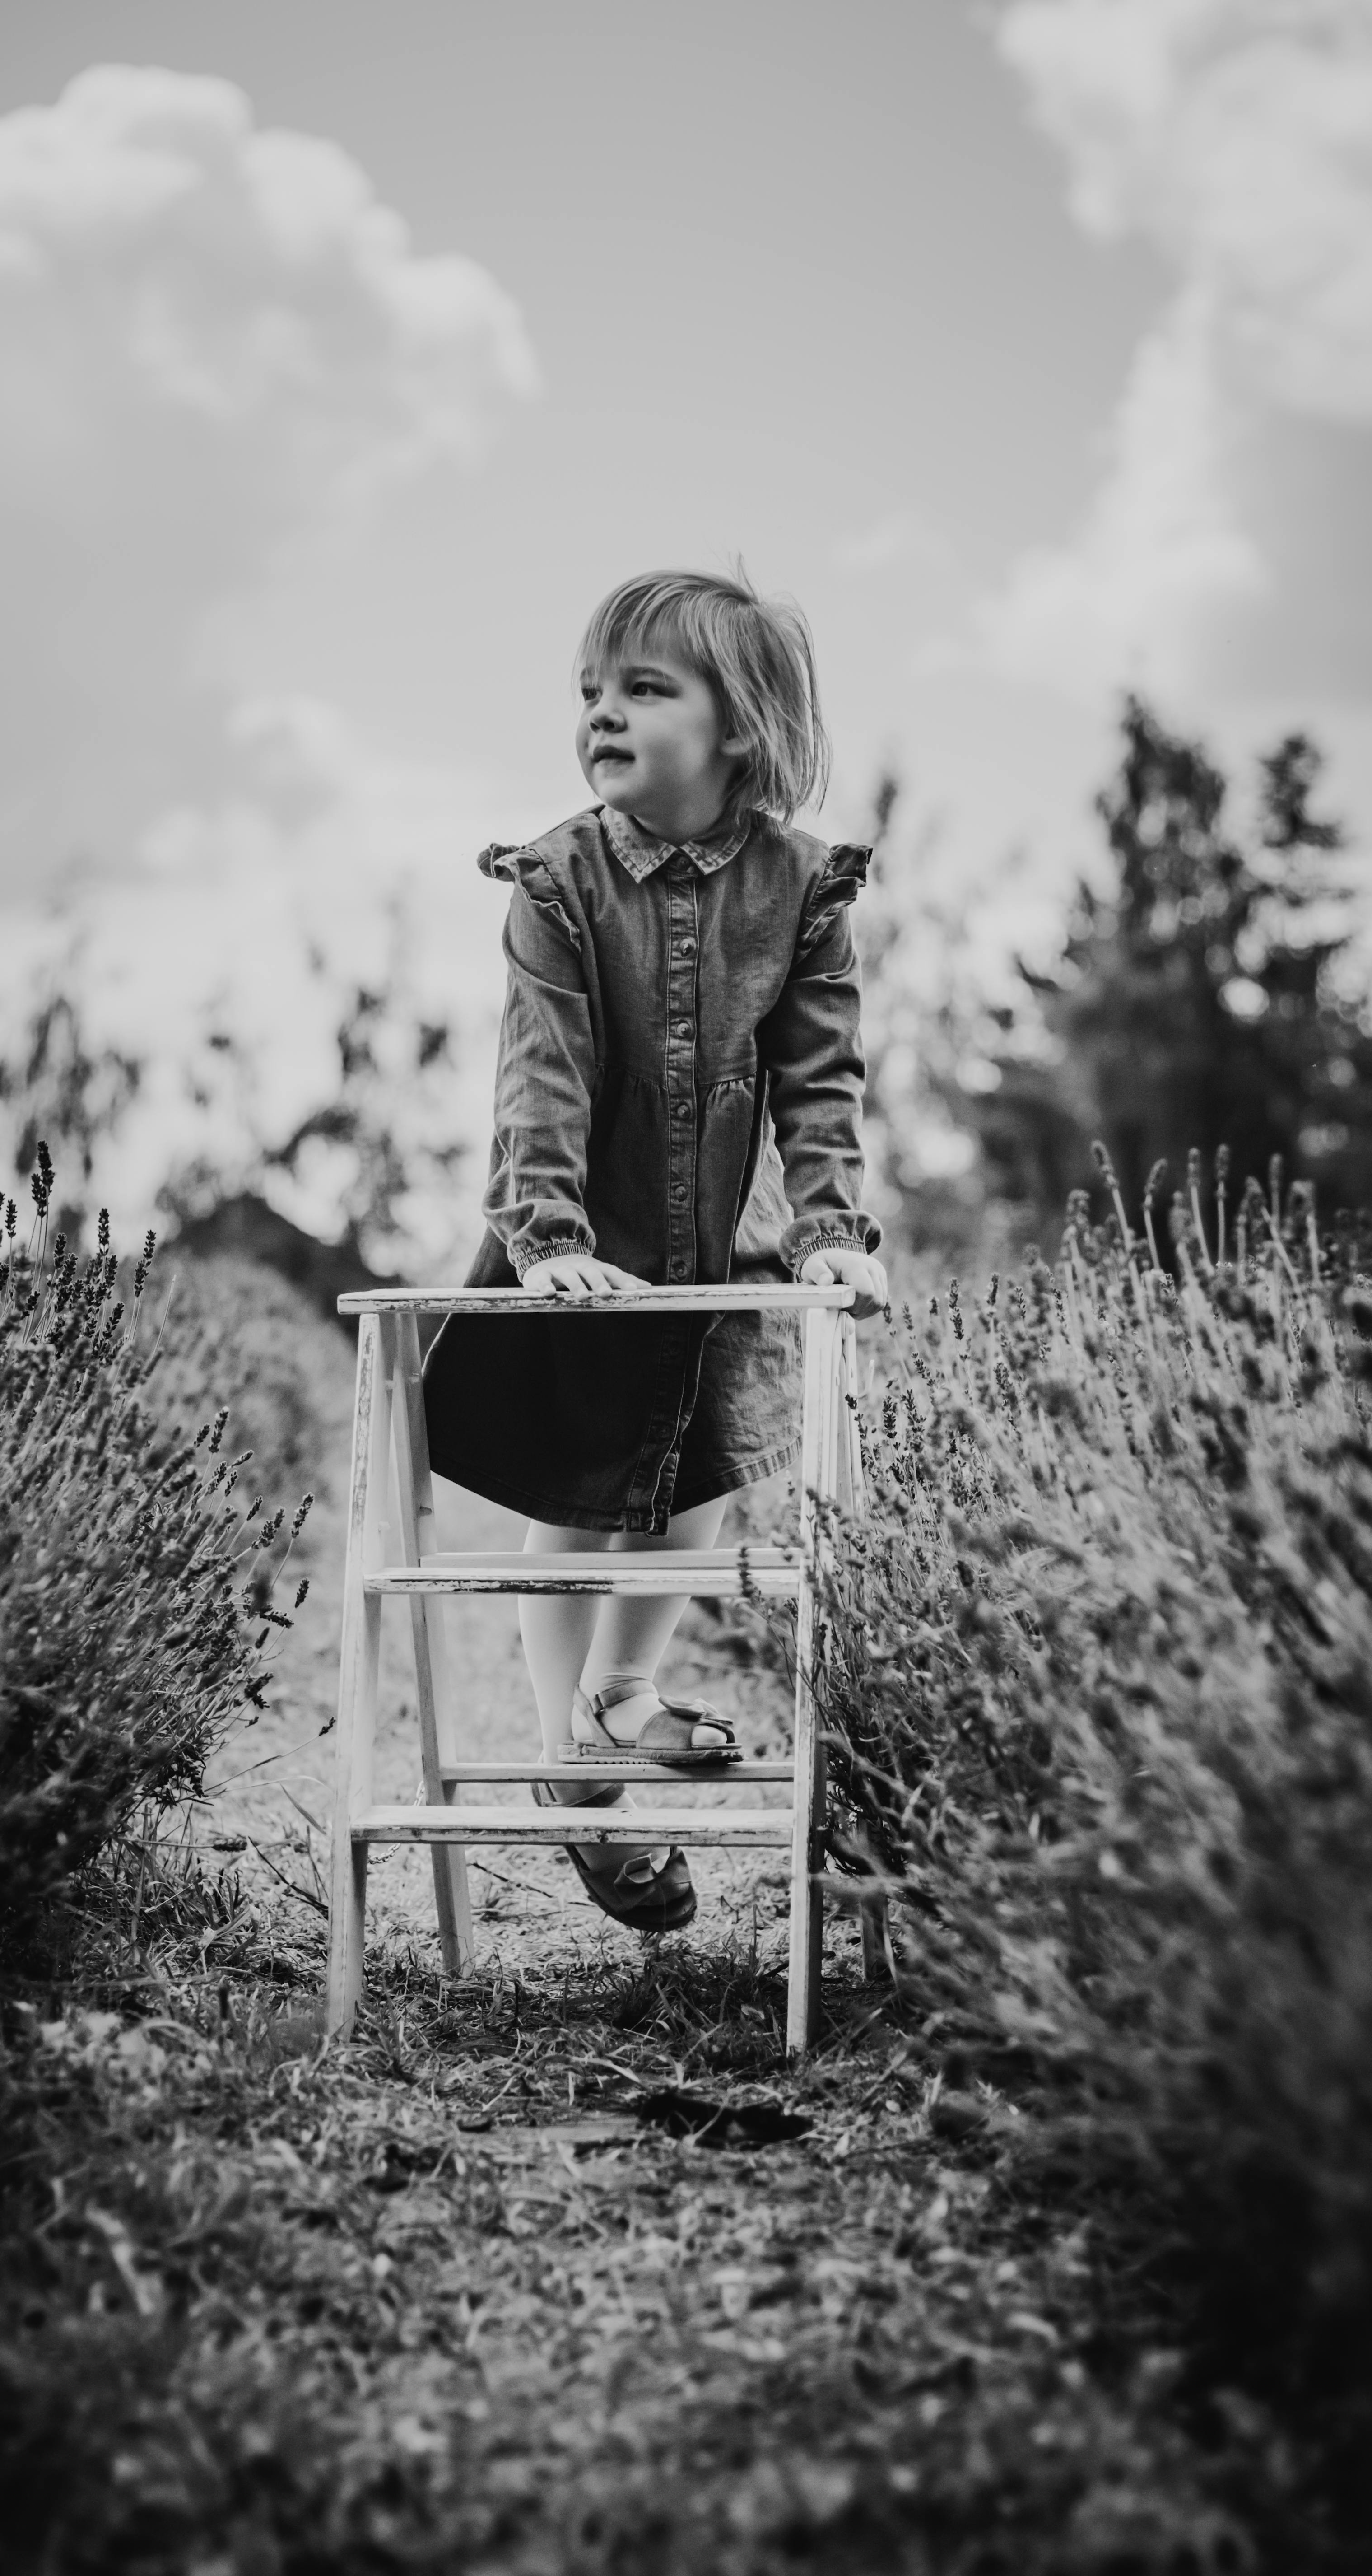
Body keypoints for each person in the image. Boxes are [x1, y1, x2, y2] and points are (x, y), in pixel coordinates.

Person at [424, 565, 887, 1931]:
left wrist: (831, 1232)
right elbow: (542, 1077)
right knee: (576, 1494)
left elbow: (818, 1079)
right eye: (589, 692)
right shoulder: (557, 880)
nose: (602, 714)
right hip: (585, 1245)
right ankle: (586, 1751)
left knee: (708, 1479)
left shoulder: (802, 887)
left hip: (726, 1255)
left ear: (735, 725)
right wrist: (550, 1239)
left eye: (643, 688)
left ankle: (611, 1709)